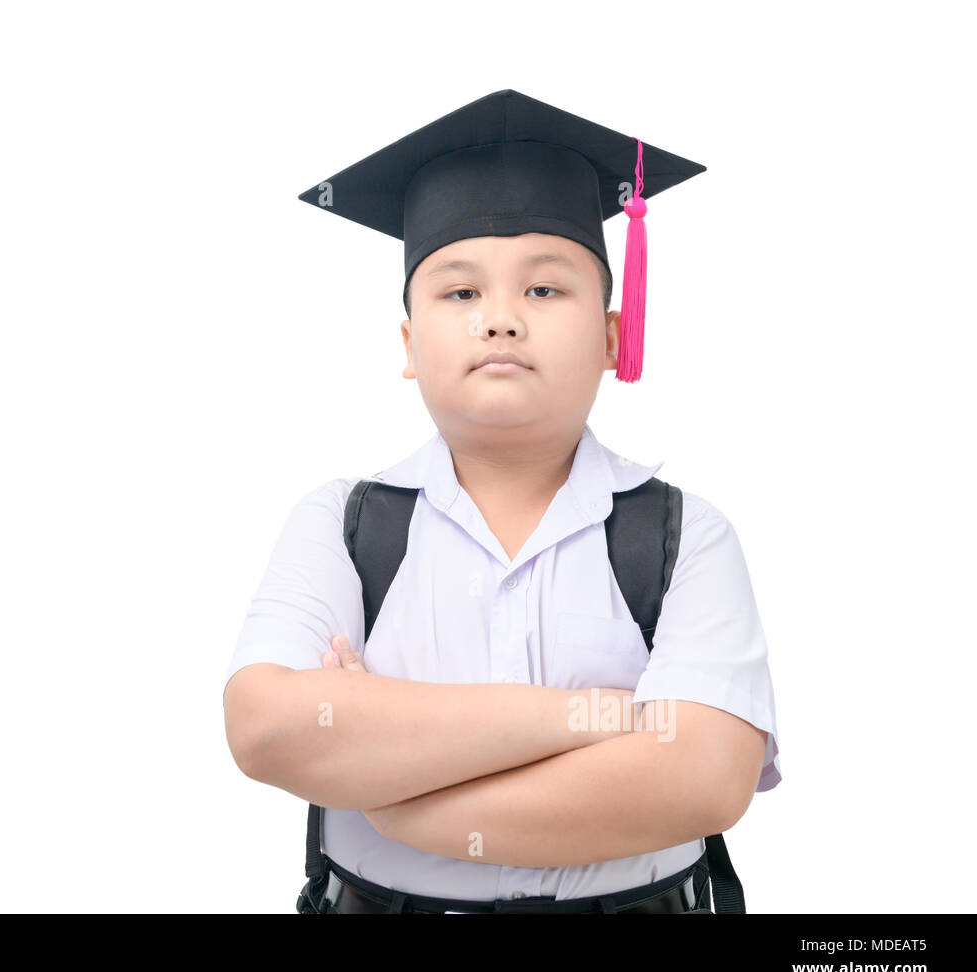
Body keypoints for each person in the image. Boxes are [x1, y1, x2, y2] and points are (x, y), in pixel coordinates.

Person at [221, 89, 781, 914]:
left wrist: (393, 787)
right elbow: (266, 727)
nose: (501, 322)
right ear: (409, 345)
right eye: (459, 294)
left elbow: (703, 774)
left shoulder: (682, 535)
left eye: (546, 292)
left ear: (612, 336)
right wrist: (599, 718)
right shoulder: (344, 525)